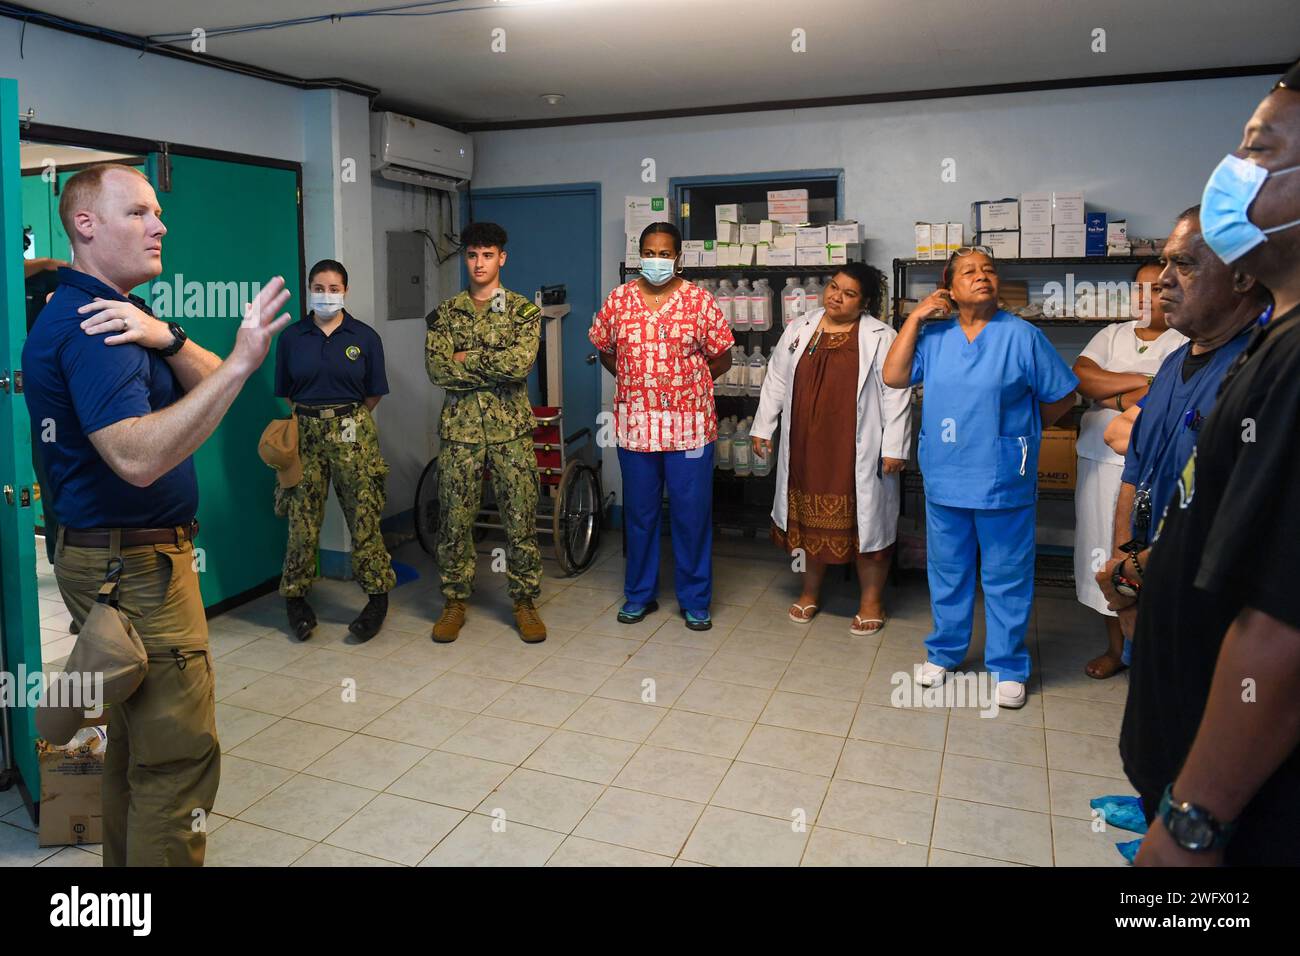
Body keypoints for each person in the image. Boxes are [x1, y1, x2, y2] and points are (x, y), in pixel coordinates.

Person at [21, 162, 292, 865]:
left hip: (115, 560)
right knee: (178, 766)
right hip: (135, 569)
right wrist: (237, 364)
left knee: (133, 749)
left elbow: (194, 380)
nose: (159, 223)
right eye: (139, 211)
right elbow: (137, 459)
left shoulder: (114, 316)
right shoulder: (93, 327)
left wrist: (167, 337)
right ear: (85, 224)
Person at [1111, 63, 1300, 865]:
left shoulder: (1288, 365)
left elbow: (1282, 626)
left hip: (1235, 817)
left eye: (1258, 149)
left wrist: (1193, 823)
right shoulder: (1270, 347)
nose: (1234, 170)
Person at [882, 247, 1077, 709]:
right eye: (969, 271)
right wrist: (914, 319)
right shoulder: (935, 336)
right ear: (948, 286)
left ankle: (1008, 665)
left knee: (1006, 572)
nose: (982, 276)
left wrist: (1019, 434)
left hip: (1003, 474)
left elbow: (1062, 398)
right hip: (947, 474)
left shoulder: (1023, 336)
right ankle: (945, 653)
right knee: (948, 570)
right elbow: (893, 376)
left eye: (989, 269)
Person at [1094, 207, 1266, 648]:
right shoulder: (1174, 364)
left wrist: (1135, 575)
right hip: (1151, 589)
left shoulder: (1264, 373)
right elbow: (1135, 473)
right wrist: (1125, 578)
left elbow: (1245, 514)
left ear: (1242, 277)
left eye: (1184, 264)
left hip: (1218, 611)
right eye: (1165, 262)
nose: (1163, 280)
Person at [751, 263, 912, 635]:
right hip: (806, 445)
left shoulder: (881, 336)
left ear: (865, 302)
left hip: (856, 447)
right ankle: (810, 592)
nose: (835, 296)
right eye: (833, 287)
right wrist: (763, 427)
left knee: (868, 525)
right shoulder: (800, 328)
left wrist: (895, 447)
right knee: (805, 520)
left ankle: (871, 601)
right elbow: (776, 378)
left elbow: (896, 393)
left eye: (848, 293)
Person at [589, 222, 733, 631]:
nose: (657, 260)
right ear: (639, 256)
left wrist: (685, 387)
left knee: (691, 514)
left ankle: (695, 599)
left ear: (679, 258)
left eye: (665, 253)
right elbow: (604, 349)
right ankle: (639, 595)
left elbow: (720, 357)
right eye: (649, 252)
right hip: (637, 426)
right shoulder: (619, 300)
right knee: (640, 514)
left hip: (689, 429)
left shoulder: (698, 302)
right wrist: (639, 383)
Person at [426, 222, 547, 643]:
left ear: (502, 258)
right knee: (454, 520)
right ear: (467, 258)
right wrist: (488, 362)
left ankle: (525, 601)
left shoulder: (522, 312)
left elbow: (519, 366)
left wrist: (466, 357)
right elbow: (438, 370)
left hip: (510, 432)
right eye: (473, 255)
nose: (479, 263)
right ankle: (455, 600)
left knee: (520, 518)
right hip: (460, 433)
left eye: (488, 255)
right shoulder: (445, 313)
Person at [1072, 264, 1186, 678]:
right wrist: (1138, 383)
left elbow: (1166, 394)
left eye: (1154, 289)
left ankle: (1152, 654)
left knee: (1144, 558)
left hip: (1155, 467)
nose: (1146, 298)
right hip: (1098, 463)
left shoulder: (1185, 338)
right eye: (1138, 290)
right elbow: (1082, 378)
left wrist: (1112, 392)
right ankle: (1116, 649)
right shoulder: (1112, 334)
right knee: (1103, 554)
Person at [273, 258, 395, 642]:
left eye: (334, 288)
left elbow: (373, 394)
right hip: (305, 430)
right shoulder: (292, 338)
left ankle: (376, 597)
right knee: (302, 520)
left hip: (352, 428)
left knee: (363, 515)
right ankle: (296, 599)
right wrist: (315, 418)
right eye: (319, 288)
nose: (327, 295)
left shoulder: (364, 337)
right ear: (310, 290)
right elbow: (287, 391)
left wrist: (344, 419)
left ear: (345, 291)